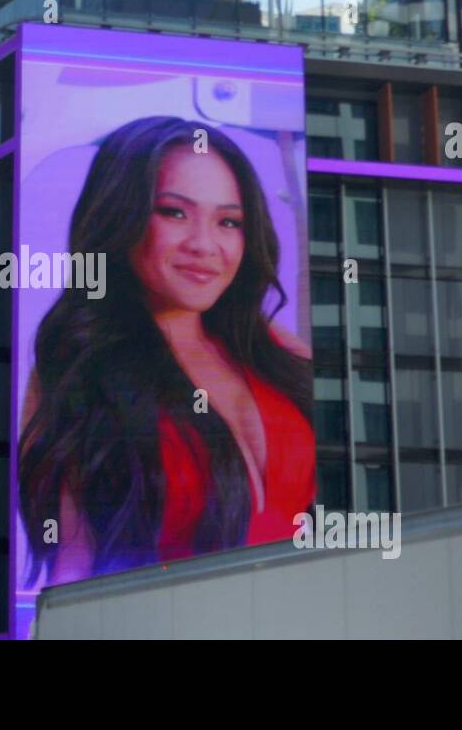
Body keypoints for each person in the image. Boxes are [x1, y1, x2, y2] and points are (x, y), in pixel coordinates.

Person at [18, 116, 314, 586]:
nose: (204, 245)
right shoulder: (78, 367)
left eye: (228, 221)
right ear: (121, 217)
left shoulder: (280, 353)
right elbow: (72, 565)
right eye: (174, 212)